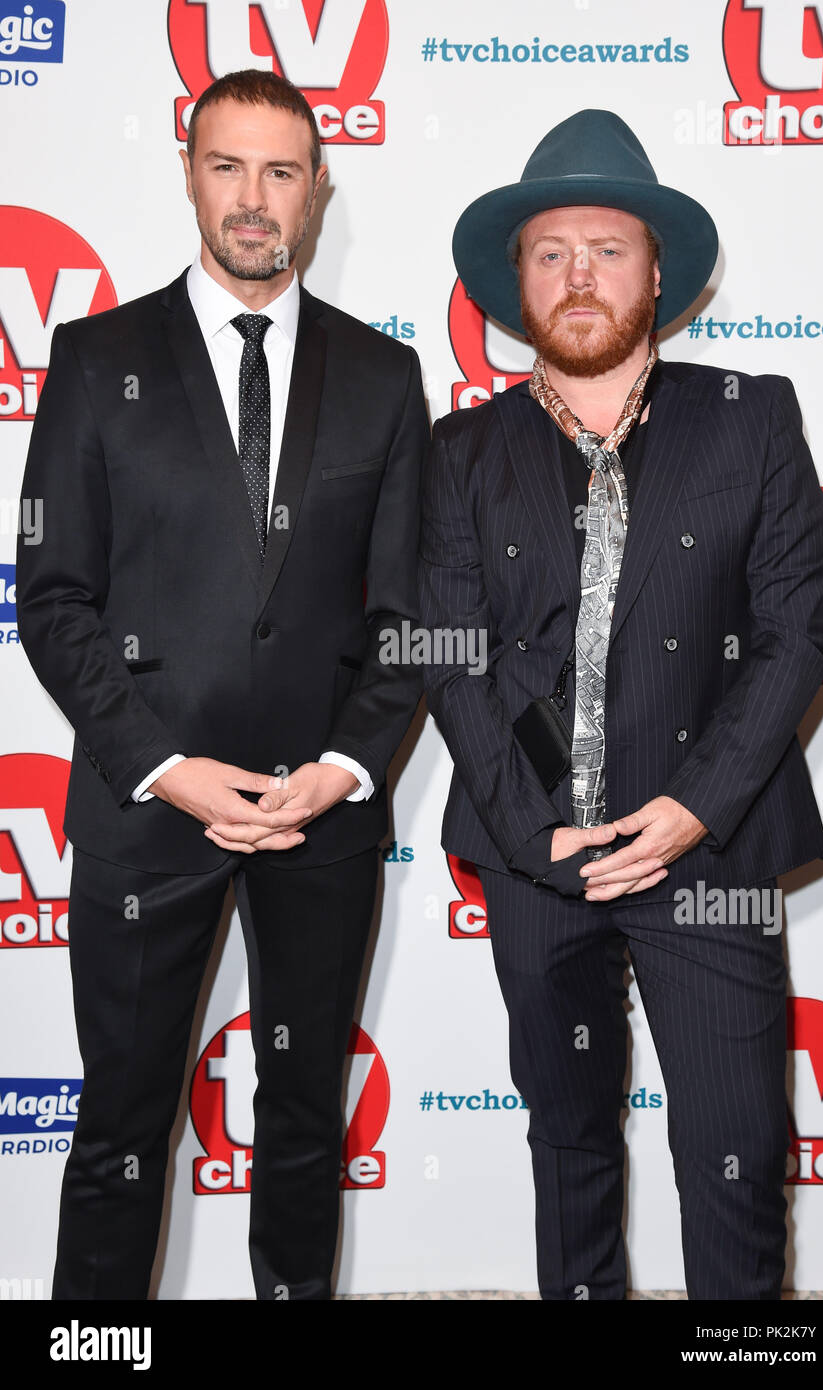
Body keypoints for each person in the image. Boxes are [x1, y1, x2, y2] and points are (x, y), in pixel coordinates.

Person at [17, 69, 428, 1301]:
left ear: (319, 190)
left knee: (302, 1122)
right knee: (122, 1127)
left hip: (322, 819)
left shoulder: (382, 377)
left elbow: (407, 620)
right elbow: (53, 596)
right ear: (190, 175)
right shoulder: (94, 358)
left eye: (282, 172)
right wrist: (166, 765)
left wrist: (341, 769)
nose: (255, 200)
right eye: (229, 167)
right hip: (149, 811)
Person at [419, 109, 823, 1299]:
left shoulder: (750, 416)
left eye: (607, 248)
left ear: (658, 272)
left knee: (740, 1158)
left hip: (705, 851)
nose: (579, 276)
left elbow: (792, 632)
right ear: (517, 281)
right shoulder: (456, 452)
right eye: (551, 252)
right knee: (569, 1148)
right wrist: (526, 829)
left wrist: (690, 811)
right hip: (530, 853)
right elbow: (447, 655)